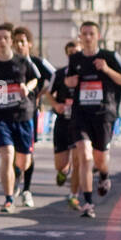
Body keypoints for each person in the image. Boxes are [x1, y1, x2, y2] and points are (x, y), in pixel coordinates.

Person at [64, 20, 121, 219]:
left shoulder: (109, 56)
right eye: (84, 34)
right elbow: (67, 80)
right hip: (81, 113)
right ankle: (88, 202)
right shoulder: (75, 59)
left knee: (100, 158)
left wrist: (107, 69)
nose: (88, 37)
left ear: (98, 36)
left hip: (103, 114)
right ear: (80, 37)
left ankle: (103, 175)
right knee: (84, 155)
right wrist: (70, 82)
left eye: (91, 33)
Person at [0, 23, 38, 213]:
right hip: (0, 116)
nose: (2, 41)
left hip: (23, 115)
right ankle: (9, 198)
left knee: (23, 161)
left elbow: (35, 78)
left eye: (5, 38)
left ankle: (18, 174)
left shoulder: (22, 62)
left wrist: (27, 88)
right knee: (7, 155)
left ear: (11, 40)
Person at [11, 26, 55, 208]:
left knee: (27, 152)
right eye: (16, 42)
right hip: (10, 113)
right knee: (11, 151)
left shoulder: (38, 62)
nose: (19, 45)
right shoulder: (9, 62)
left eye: (23, 42)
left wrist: (42, 94)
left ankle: (27, 190)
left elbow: (55, 76)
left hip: (29, 112)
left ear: (29, 43)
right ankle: (15, 184)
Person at [49, 41, 82, 209]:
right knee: (60, 165)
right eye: (70, 52)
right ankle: (63, 172)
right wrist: (56, 105)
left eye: (76, 52)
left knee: (78, 161)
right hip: (63, 122)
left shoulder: (87, 72)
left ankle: (74, 195)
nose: (73, 55)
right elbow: (49, 93)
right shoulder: (59, 74)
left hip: (80, 122)